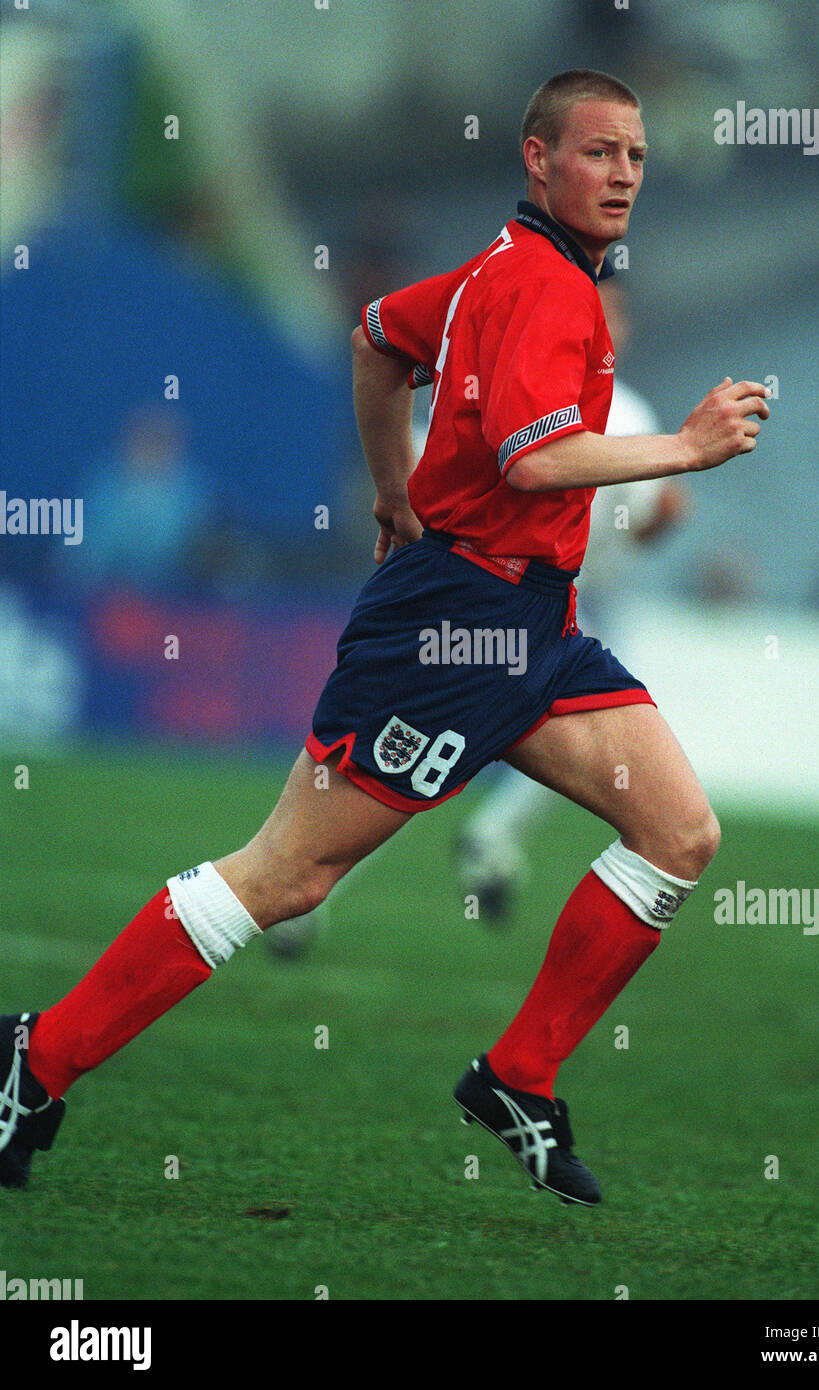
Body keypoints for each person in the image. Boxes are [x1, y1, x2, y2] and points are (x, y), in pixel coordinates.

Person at [1, 69, 769, 1206]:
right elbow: (530, 459)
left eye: (636, 158)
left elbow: (372, 341)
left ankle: (519, 1074)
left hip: (536, 625)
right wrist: (687, 449)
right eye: (598, 152)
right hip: (450, 628)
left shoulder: (498, 272)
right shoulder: (544, 288)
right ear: (537, 159)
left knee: (678, 831)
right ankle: (35, 1061)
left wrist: (391, 490)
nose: (621, 176)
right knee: (286, 876)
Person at [456, 277, 690, 919]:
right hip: (549, 616)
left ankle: (312, 886)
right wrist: (668, 511)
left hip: (475, 602)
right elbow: (647, 524)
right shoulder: (632, 418)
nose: (616, 323)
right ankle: (489, 837)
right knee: (604, 747)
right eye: (606, 310)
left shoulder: (503, 386)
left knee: (413, 756)